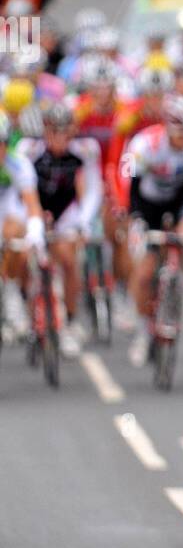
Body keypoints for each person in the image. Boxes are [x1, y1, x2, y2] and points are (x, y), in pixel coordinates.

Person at [125, 95, 183, 367]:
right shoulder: (145, 144)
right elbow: (131, 187)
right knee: (144, 274)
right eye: (179, 134)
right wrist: (137, 219)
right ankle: (143, 333)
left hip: (181, 201)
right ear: (167, 128)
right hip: (148, 204)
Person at [18, 103, 103, 357]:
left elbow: (93, 189)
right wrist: (33, 220)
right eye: (54, 132)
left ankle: (69, 318)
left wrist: (85, 221)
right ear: (45, 131)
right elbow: (21, 189)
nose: (60, 139)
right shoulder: (29, 150)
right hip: (35, 206)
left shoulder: (85, 150)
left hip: (66, 209)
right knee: (24, 256)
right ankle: (24, 304)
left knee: (68, 258)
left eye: (66, 133)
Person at [0, 108, 45, 339]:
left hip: (7, 205)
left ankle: (11, 293)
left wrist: (35, 231)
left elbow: (31, 204)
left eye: (2, 144)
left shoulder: (18, 163)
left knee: (16, 233)